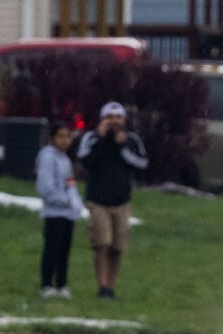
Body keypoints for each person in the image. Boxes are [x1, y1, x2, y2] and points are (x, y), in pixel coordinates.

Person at [75, 100, 147, 299]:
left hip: (122, 201)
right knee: (102, 243)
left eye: (117, 117)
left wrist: (122, 146)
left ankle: (111, 286)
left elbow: (141, 164)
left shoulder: (131, 140)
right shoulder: (91, 137)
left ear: (124, 120)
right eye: (109, 117)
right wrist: (100, 139)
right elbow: (85, 160)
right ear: (102, 119)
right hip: (98, 200)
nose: (114, 122)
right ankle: (102, 286)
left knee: (117, 246)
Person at [34, 122, 78, 299]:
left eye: (67, 136)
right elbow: (45, 186)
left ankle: (61, 283)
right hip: (54, 211)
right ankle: (46, 284)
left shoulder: (65, 159)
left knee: (64, 249)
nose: (65, 140)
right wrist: (62, 200)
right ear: (52, 138)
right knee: (52, 248)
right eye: (61, 136)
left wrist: (74, 200)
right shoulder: (47, 157)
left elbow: (70, 182)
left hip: (67, 212)